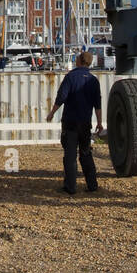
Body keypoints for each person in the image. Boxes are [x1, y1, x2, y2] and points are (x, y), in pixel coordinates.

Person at [47, 50, 103, 195]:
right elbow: (98, 104)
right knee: (86, 153)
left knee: (70, 155)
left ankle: (70, 186)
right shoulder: (93, 81)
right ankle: (92, 185)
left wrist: (52, 112)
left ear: (79, 61)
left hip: (71, 122)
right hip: (85, 123)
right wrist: (99, 122)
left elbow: (61, 98)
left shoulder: (71, 77)